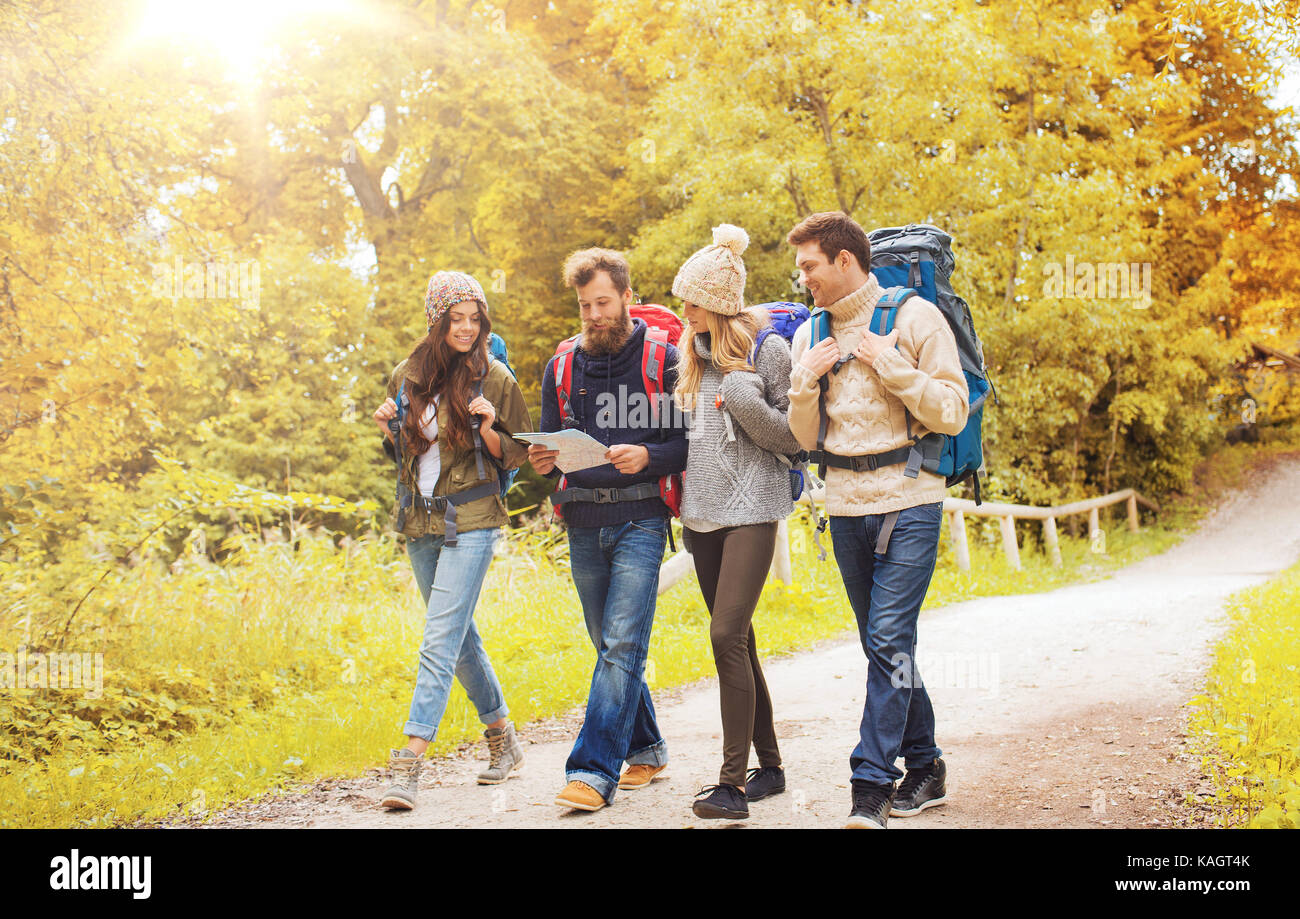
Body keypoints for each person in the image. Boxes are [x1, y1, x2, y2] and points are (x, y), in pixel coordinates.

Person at [785, 212, 968, 829]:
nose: (803, 277)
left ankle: (870, 785)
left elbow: (952, 412)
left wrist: (894, 369)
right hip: (844, 506)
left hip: (910, 499)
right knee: (882, 644)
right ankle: (927, 763)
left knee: (888, 640)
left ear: (843, 260)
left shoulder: (915, 317)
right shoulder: (811, 335)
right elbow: (805, 437)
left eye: (810, 265)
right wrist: (803, 388)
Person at [527, 248, 688, 813]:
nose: (593, 314)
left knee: (621, 642)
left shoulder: (665, 358)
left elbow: (686, 443)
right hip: (582, 519)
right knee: (608, 643)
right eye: (584, 305)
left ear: (626, 296)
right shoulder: (562, 365)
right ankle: (647, 745)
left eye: (602, 302)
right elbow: (547, 442)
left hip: (642, 517)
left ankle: (593, 771)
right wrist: (543, 460)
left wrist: (647, 456)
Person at [373, 270, 533, 811]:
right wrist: (390, 428)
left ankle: (410, 761)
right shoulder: (407, 375)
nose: (467, 328)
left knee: (439, 637)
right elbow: (410, 456)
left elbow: (519, 454)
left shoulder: (496, 377)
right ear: (436, 321)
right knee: (460, 638)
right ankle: (503, 738)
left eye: (475, 318)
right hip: (420, 522)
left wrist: (489, 424)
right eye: (456, 319)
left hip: (473, 520)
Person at [671, 224, 802, 820]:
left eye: (692, 301)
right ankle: (769, 766)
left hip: (753, 505)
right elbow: (694, 443)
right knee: (740, 641)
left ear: (719, 303)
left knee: (725, 636)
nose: (685, 311)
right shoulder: (690, 355)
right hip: (701, 516)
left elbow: (796, 439)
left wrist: (745, 398)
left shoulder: (768, 352)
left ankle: (731, 785)